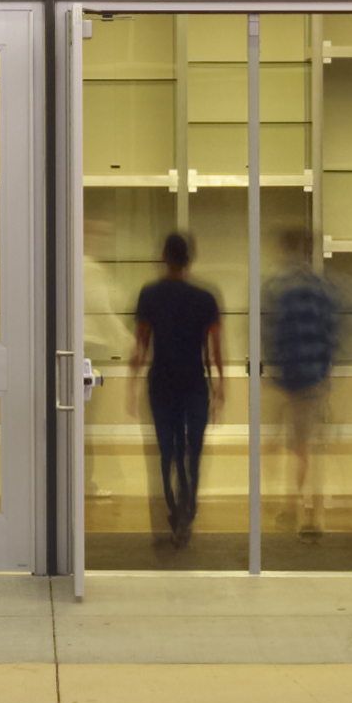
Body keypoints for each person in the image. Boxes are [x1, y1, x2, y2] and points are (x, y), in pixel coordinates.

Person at [128, 229, 226, 553]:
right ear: (190, 260)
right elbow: (214, 351)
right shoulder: (206, 299)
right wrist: (220, 386)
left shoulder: (149, 295)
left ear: (163, 257)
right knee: (192, 454)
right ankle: (188, 511)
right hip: (194, 385)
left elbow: (140, 345)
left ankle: (174, 512)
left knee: (167, 452)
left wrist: (130, 384)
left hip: (161, 384)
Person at [255, 246, 350, 548]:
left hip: (288, 379)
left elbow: (268, 334)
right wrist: (326, 371)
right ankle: (310, 515)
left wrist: (274, 372)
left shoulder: (276, 290)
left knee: (295, 446)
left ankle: (293, 508)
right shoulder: (324, 291)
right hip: (313, 380)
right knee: (308, 447)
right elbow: (334, 335)